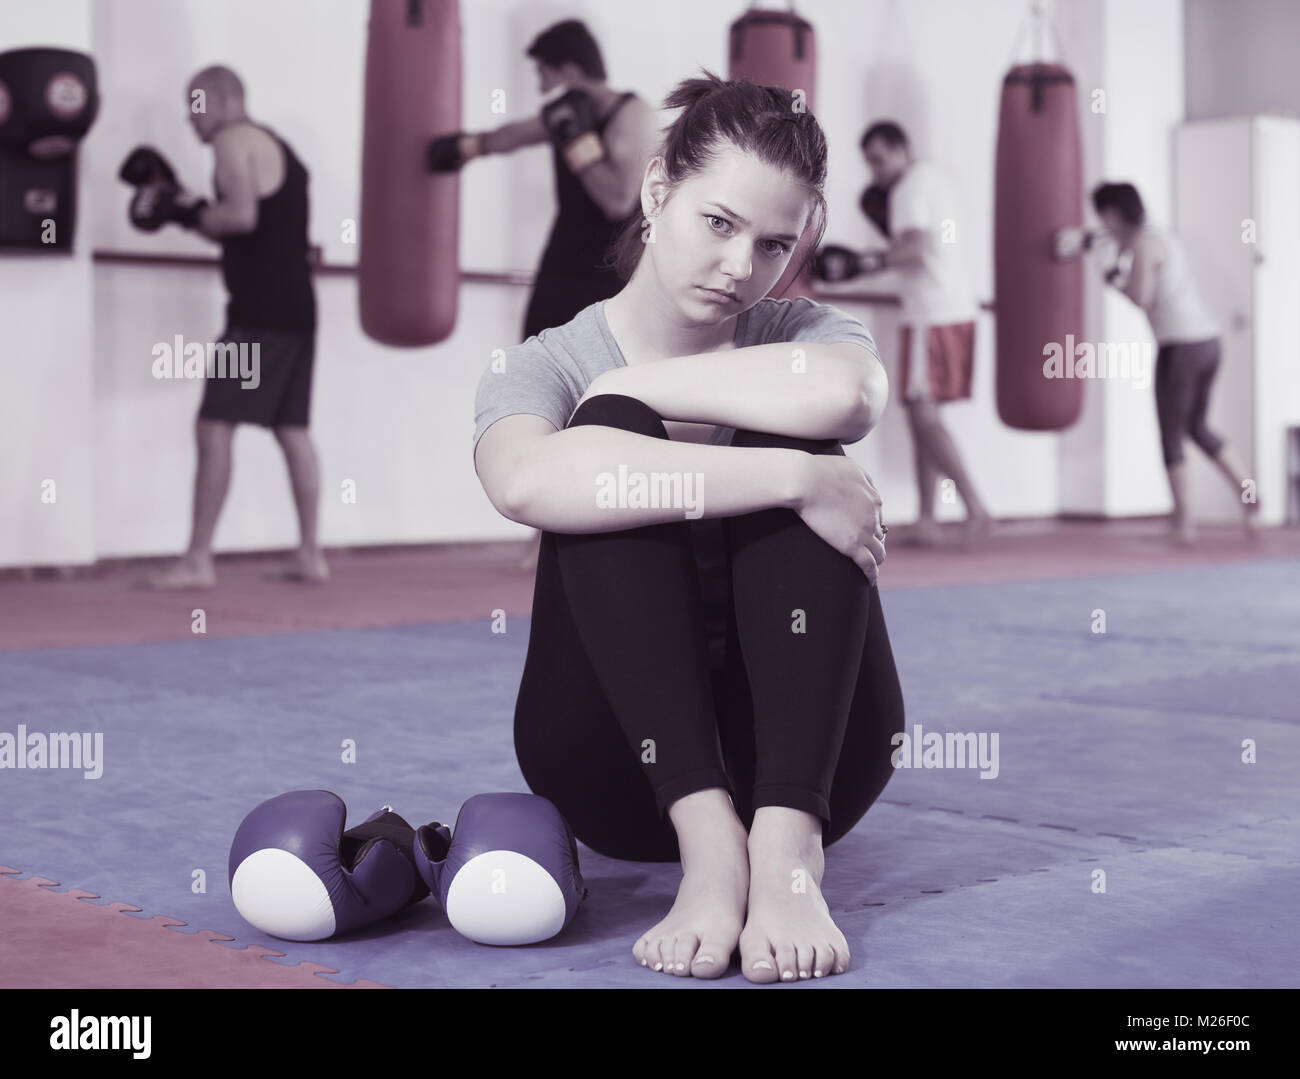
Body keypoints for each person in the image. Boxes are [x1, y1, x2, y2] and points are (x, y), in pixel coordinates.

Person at [472, 71, 905, 983]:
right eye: (719, 223)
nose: (742, 267)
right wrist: (793, 480)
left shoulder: (799, 331)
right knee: (609, 437)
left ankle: (784, 851)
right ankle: (710, 848)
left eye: (775, 243)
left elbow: (852, 393)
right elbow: (522, 479)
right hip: (616, 769)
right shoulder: (546, 362)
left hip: (815, 768)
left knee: (787, 418)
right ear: (657, 188)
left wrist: (643, 385)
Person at [429, 19, 657, 571]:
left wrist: (578, 143)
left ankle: (608, 522)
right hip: (561, 266)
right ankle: (542, 526)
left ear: (570, 68)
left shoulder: (633, 114)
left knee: (605, 393)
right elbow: (515, 135)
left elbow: (617, 197)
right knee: (538, 381)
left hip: (613, 271)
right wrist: (463, 148)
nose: (540, 84)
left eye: (544, 72)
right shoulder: (562, 115)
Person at [142, 65, 324, 588]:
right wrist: (188, 212)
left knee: (213, 425)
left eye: (196, 105)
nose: (191, 118)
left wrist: (185, 208)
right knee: (291, 430)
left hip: (260, 313)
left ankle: (198, 559)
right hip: (297, 307)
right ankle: (310, 554)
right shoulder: (278, 146)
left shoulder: (230, 141)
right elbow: (245, 231)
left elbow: (240, 216)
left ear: (224, 100)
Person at [1090, 182, 1258, 544]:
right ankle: (1249, 494)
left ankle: (1185, 523)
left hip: (1180, 346)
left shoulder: (1142, 243)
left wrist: (1110, 277)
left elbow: (1141, 297)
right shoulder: (1161, 234)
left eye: (1102, 217)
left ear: (1112, 213)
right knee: (1197, 426)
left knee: (1171, 433)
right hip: (1208, 340)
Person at [851, 121, 993, 547]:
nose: (875, 171)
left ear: (901, 149)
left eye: (879, 160)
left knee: (924, 416)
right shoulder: (935, 178)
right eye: (869, 163)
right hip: (953, 308)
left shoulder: (908, 189)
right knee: (921, 416)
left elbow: (914, 249)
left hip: (931, 313)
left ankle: (976, 508)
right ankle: (928, 518)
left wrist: (864, 263)